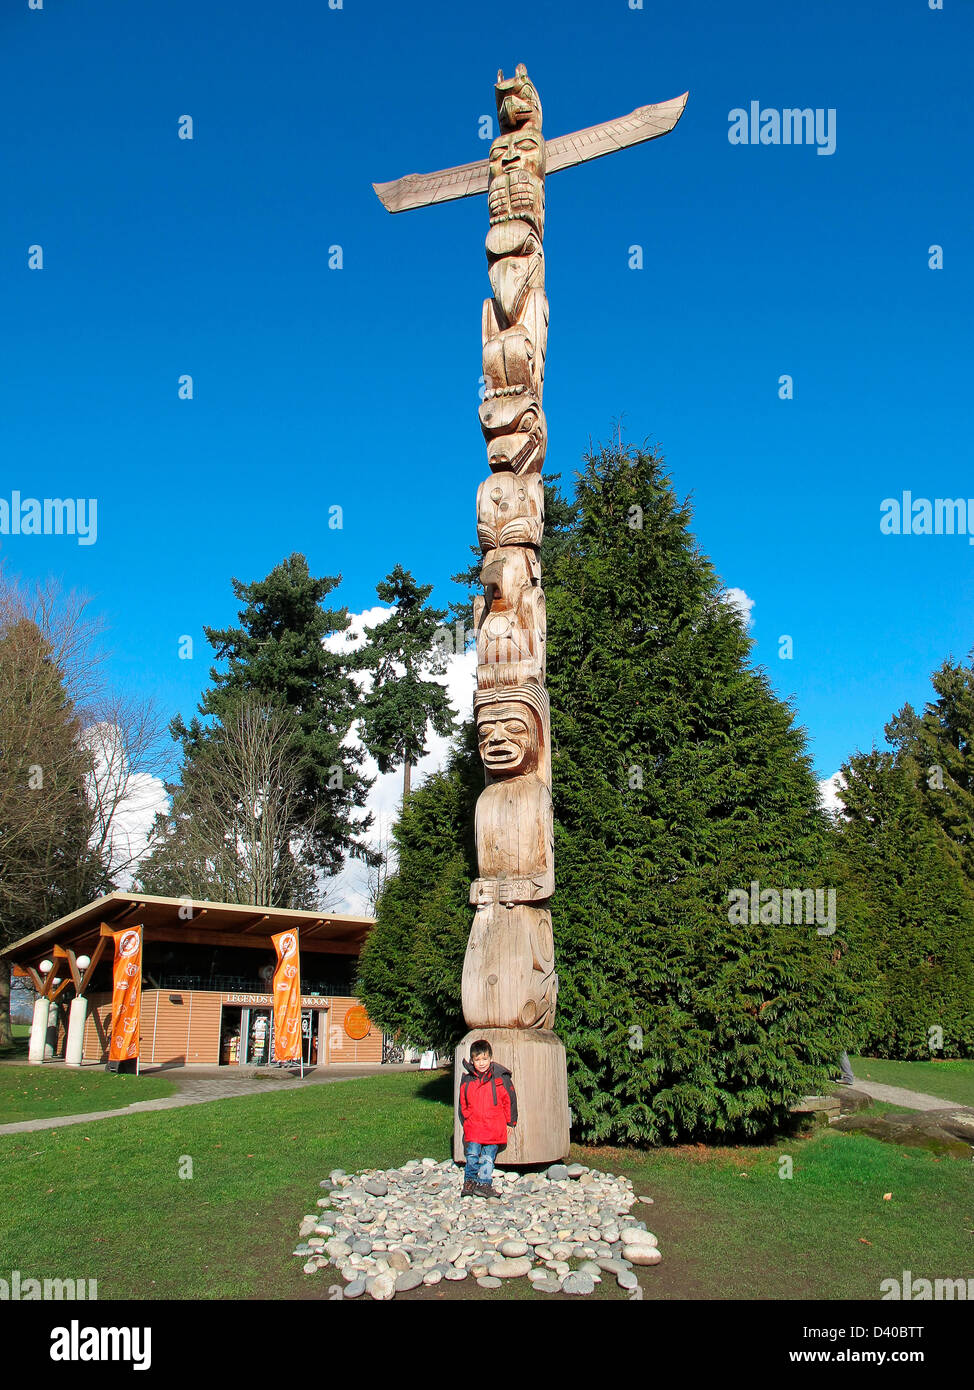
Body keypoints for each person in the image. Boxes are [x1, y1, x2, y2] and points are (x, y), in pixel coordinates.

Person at [458, 1039, 517, 1198]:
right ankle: (469, 1181)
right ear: (472, 1061)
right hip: (475, 1127)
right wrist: (467, 1118)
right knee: (472, 1155)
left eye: (484, 1059)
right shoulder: (468, 1080)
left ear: (490, 1058)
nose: (481, 1063)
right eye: (477, 1060)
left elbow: (509, 1100)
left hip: (494, 1126)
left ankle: (484, 1183)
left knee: (488, 1158)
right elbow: (462, 1103)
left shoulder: (500, 1078)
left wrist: (510, 1122)